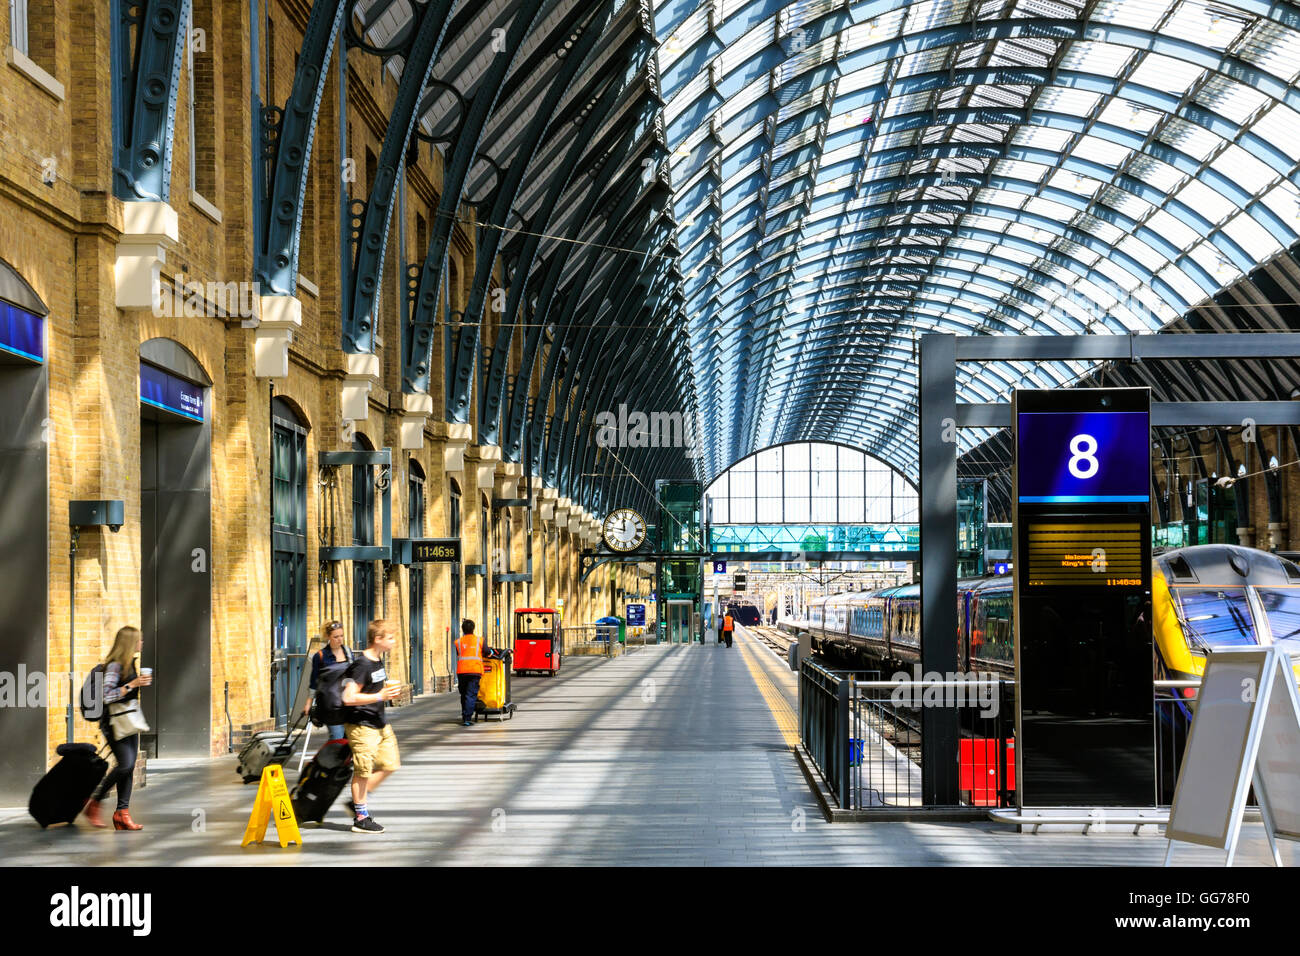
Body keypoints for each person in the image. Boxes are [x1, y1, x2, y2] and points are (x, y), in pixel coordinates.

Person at [83, 626, 152, 830]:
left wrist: (138, 683)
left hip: (129, 719)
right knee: (125, 764)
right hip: (113, 721)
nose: (142, 643)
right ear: (130, 643)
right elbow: (107, 695)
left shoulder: (130, 663)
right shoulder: (115, 666)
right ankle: (95, 802)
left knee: (129, 768)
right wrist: (133, 684)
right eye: (139, 640)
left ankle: (122, 814)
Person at [340, 619, 402, 834]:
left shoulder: (377, 661)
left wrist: (386, 694)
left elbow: (373, 690)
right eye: (390, 638)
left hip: (379, 722)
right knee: (363, 771)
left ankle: (356, 803)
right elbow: (348, 697)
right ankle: (361, 816)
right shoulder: (362, 664)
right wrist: (379, 695)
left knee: (390, 763)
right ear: (378, 639)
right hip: (361, 725)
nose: (394, 641)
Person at [303, 620, 353, 740]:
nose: (340, 639)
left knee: (349, 742)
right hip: (330, 706)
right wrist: (309, 703)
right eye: (336, 637)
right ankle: (328, 758)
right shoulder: (320, 656)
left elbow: (352, 677)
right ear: (328, 637)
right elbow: (314, 682)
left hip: (348, 705)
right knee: (337, 739)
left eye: (341, 636)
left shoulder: (348, 652)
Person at [455, 619, 485, 727]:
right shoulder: (479, 640)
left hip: (462, 671)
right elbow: (486, 652)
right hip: (474, 671)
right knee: (470, 695)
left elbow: (459, 654)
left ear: (462, 629)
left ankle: (464, 716)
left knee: (463, 694)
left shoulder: (458, 642)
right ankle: (467, 718)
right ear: (473, 628)